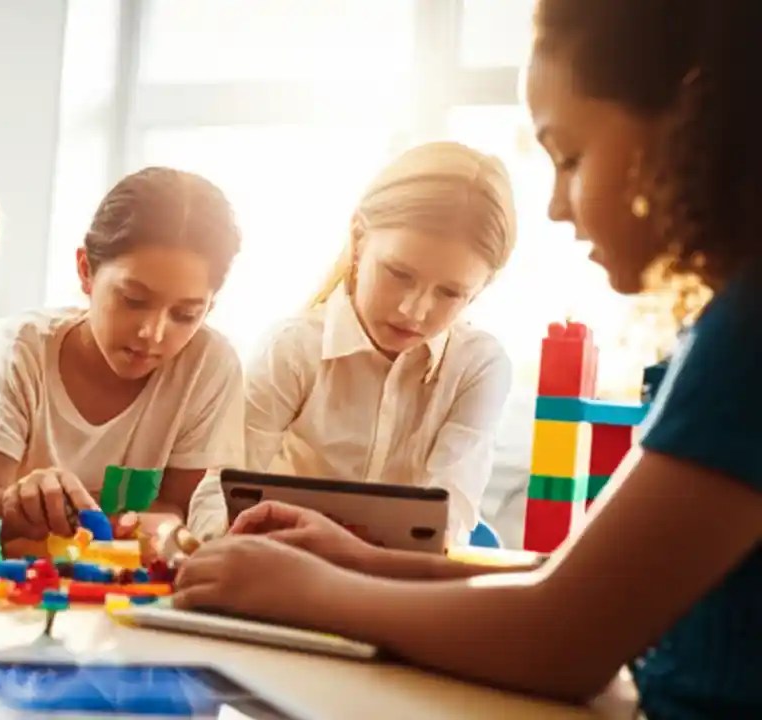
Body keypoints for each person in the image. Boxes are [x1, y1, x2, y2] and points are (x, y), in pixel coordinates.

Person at [175, 1, 762, 716]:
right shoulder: (728, 327)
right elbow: (570, 582)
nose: (554, 207)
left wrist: (308, 590)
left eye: (569, 157)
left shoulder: (746, 337)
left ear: (688, 127)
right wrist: (359, 561)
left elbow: (566, 635)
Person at [192, 142, 516, 542]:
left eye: (450, 293)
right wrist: (227, 543)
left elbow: (447, 523)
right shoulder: (293, 349)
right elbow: (216, 493)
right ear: (359, 237)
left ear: (482, 288)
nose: (414, 311)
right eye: (399, 273)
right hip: (279, 567)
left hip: (391, 588)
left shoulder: (478, 367)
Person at [0, 167, 244, 542]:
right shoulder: (22, 347)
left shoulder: (208, 365)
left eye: (185, 314)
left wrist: (152, 524)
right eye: (133, 300)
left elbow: (177, 507)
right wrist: (22, 502)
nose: (152, 334)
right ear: (86, 271)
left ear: (209, 307)